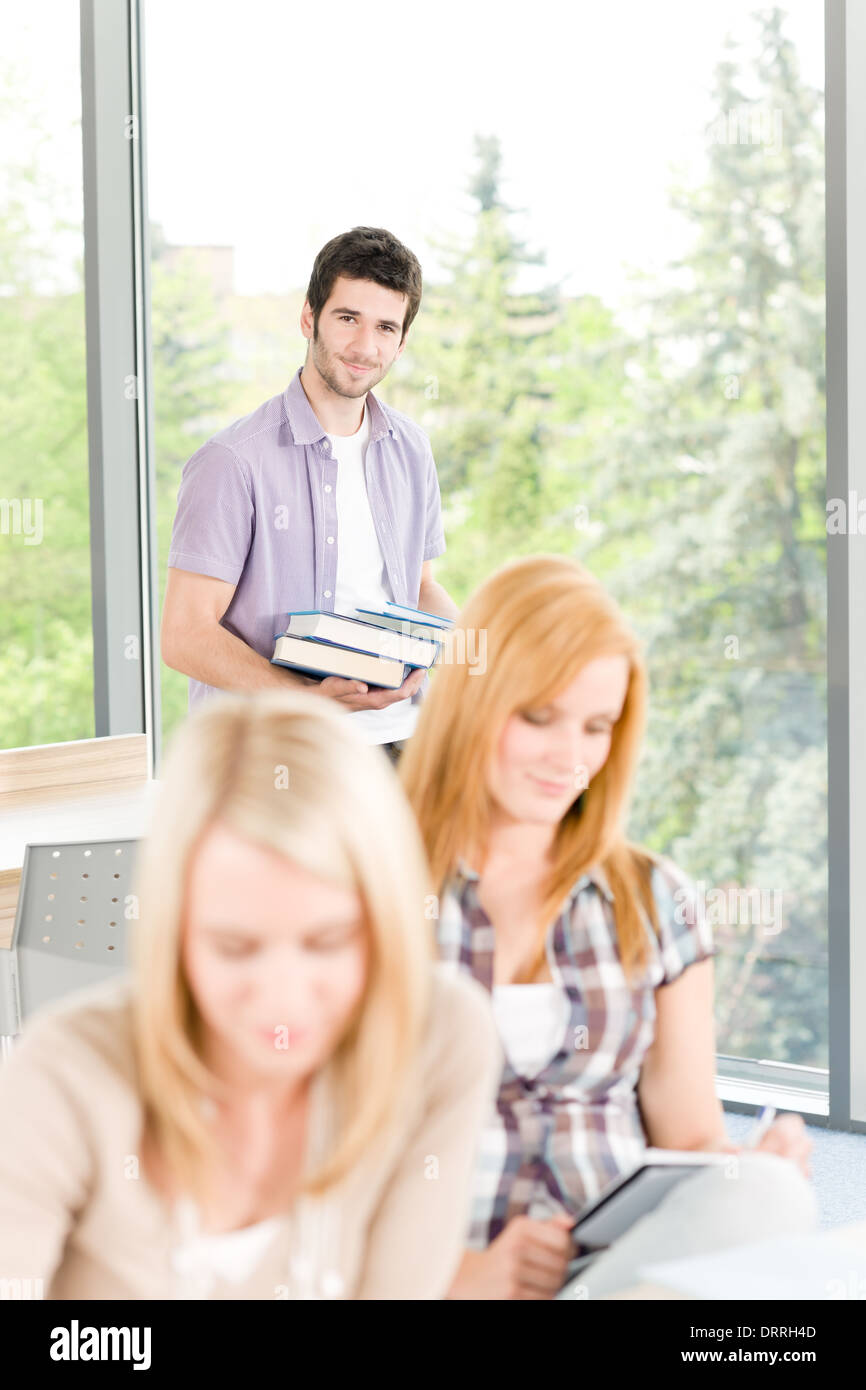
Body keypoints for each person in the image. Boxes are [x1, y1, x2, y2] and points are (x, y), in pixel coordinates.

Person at [398, 553, 818, 1300]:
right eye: (539, 717)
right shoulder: (372, 884)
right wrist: (461, 1278)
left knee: (770, 1198)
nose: (571, 758)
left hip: (610, 1271)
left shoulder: (656, 901)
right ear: (475, 699)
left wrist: (749, 1168)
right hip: (433, 1274)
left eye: (597, 727)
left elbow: (688, 1139)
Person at [0, 691, 501, 1299]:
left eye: (327, 942)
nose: (283, 998)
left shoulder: (439, 1039)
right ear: (174, 929)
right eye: (235, 948)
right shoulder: (67, 1073)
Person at [161, 226, 459, 767]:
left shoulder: (411, 449)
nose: (365, 347)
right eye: (348, 318)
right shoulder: (231, 462)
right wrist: (304, 701)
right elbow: (185, 635)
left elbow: (420, 590)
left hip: (402, 745)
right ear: (309, 318)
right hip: (280, 754)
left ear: (402, 341)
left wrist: (476, 655)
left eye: (385, 327)